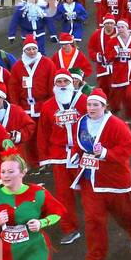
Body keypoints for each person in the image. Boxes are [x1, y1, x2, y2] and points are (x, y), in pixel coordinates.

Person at [74, 90, 131, 260]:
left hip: (115, 180)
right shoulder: (81, 123)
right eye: (89, 105)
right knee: (93, 220)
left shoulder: (116, 124)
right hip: (90, 181)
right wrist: (75, 157)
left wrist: (105, 153)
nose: (91, 108)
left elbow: (129, 146)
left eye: (96, 105)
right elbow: (77, 145)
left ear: (104, 107)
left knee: (124, 214)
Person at [36, 70, 86, 246]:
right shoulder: (48, 106)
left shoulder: (83, 101)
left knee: (88, 190)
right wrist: (44, 158)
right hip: (59, 156)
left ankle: (96, 219)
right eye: (59, 82)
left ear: (71, 83)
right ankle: (69, 228)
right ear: (55, 85)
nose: (63, 84)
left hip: (81, 153)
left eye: (66, 80)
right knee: (63, 194)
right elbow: (42, 133)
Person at [104, 20, 131, 124]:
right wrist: (115, 52)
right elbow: (107, 57)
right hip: (119, 71)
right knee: (123, 96)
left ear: (127, 28)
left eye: (122, 27)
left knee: (130, 94)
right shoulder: (113, 41)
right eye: (118, 27)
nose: (120, 29)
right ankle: (130, 115)